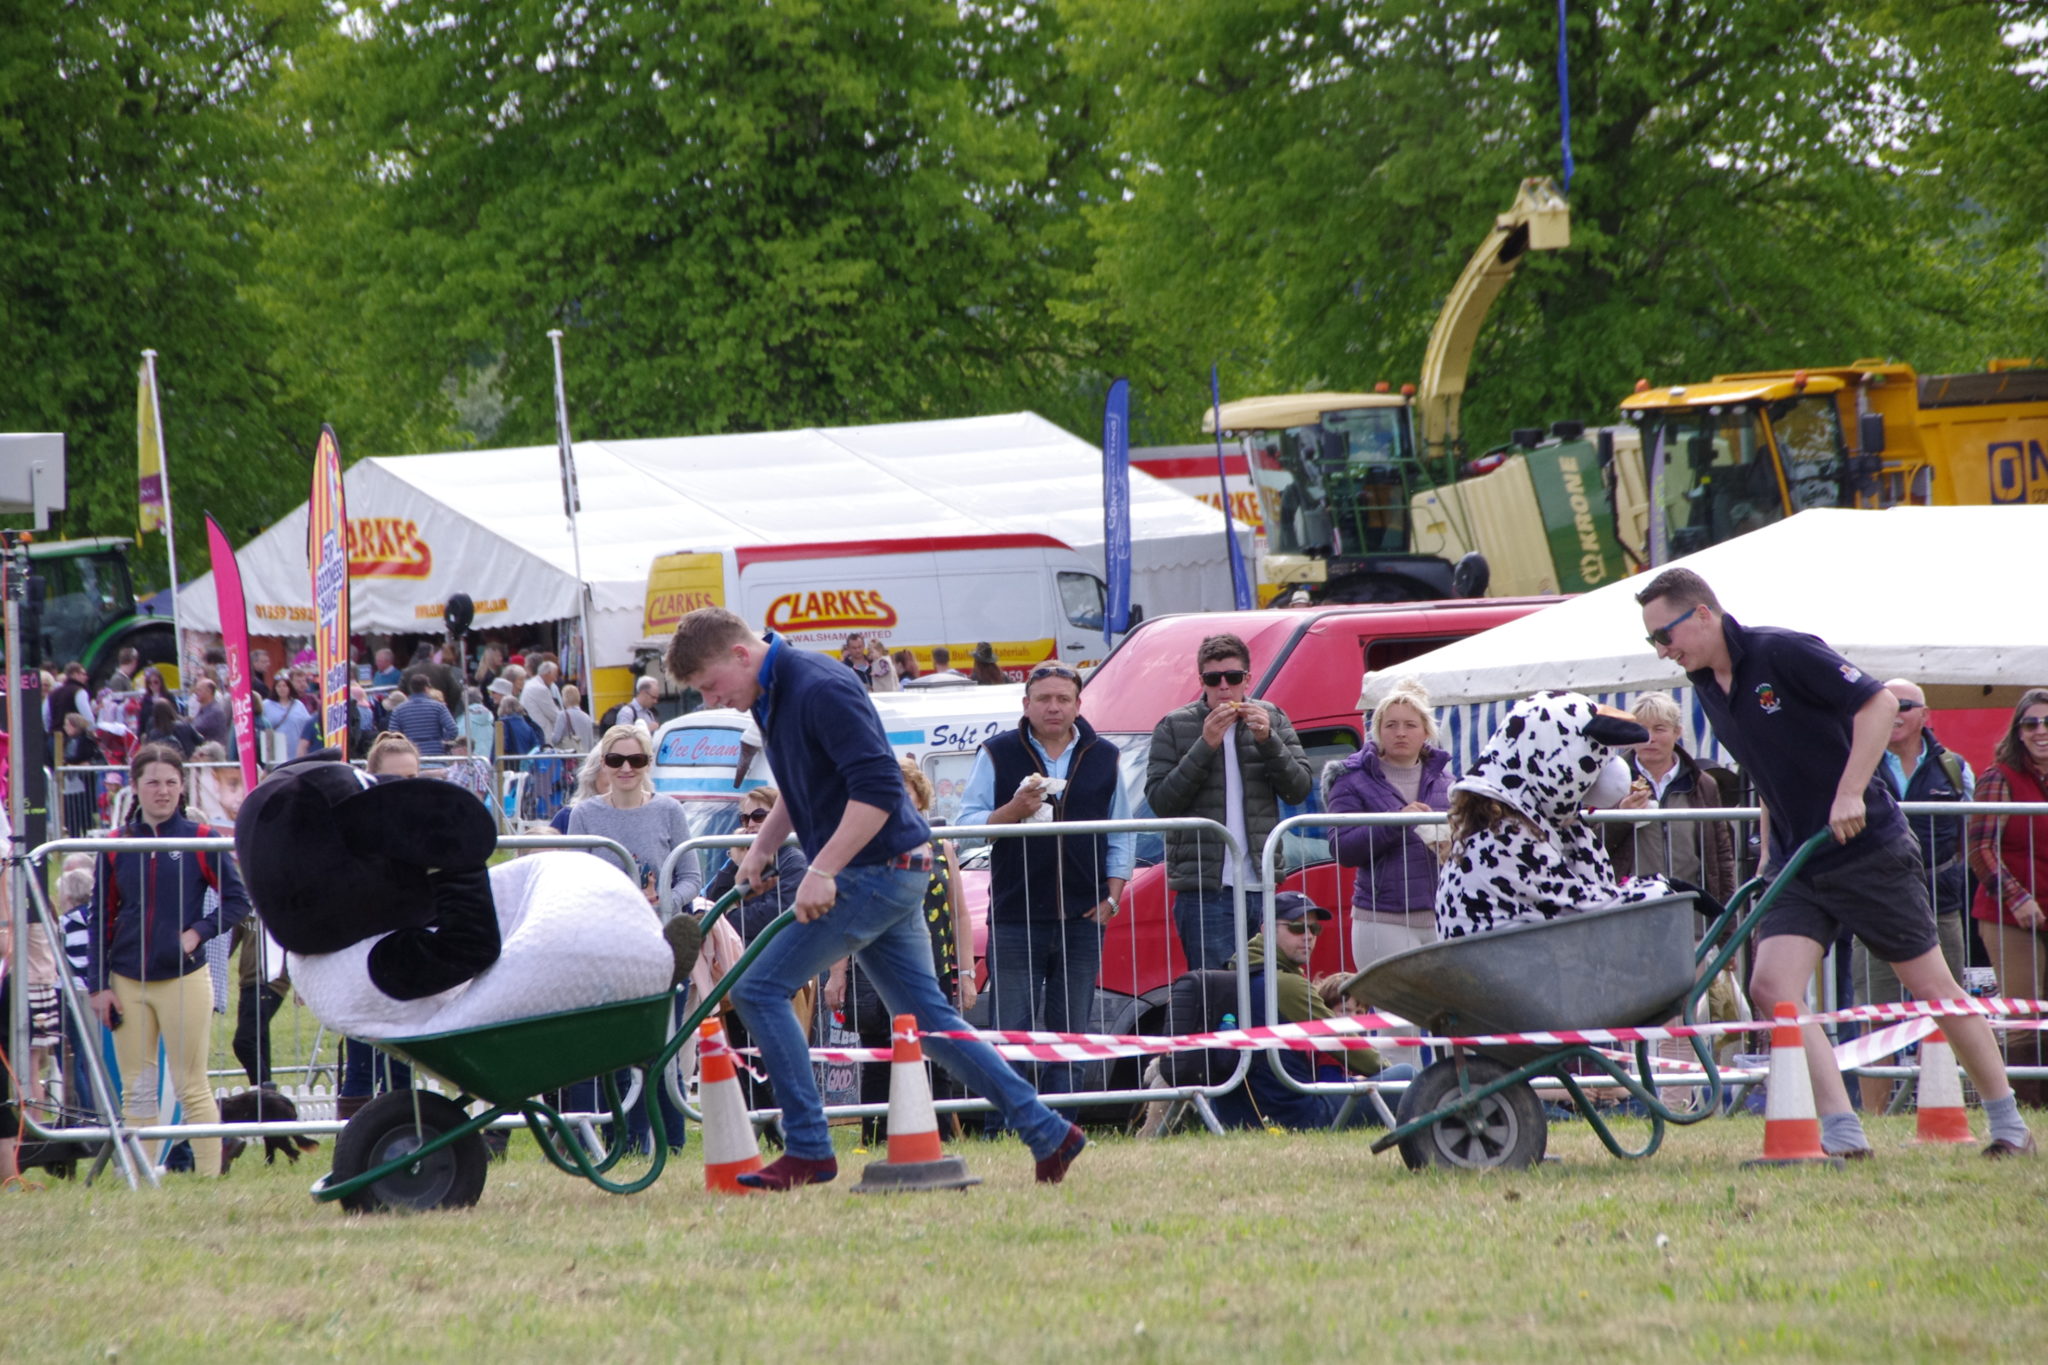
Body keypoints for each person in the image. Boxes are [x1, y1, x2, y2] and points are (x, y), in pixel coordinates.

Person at [668, 606, 1086, 1189]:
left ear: (741, 655)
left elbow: (880, 791)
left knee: (760, 988)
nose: (714, 701)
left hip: (878, 870)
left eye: (712, 687)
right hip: (887, 869)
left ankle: (810, 1148)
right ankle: (1048, 1133)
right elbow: (798, 782)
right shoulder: (769, 694)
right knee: (933, 1024)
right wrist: (762, 848)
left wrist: (821, 869)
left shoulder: (820, 686)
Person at [1638, 567, 2033, 1158]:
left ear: (1701, 614)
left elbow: (1876, 702)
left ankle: (2010, 1126)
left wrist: (1850, 792)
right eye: (1653, 643)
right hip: (1800, 861)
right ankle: (1842, 1136)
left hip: (1867, 848)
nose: (1663, 651)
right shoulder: (1705, 685)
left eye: (1664, 636)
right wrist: (1772, 850)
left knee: (1930, 985)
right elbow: (1769, 771)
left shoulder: (1781, 652)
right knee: (1772, 987)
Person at [958, 660, 1131, 1104]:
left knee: (1070, 1033)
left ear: (1078, 704)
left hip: (1084, 916)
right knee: (1009, 1034)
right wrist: (1011, 811)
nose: (1053, 707)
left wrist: (1114, 895)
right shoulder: (996, 752)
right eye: (1044, 699)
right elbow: (967, 824)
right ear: (1026, 704)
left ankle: (1063, 1123)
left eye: (1063, 699)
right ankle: (1006, 1121)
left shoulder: (1106, 756)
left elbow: (1121, 831)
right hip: (1016, 916)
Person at [85, 744, 252, 1177]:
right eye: (152, 782)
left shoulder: (200, 839)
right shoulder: (117, 843)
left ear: (183, 788)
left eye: (171, 782)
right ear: (135, 787)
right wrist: (98, 986)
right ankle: (140, 1179)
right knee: (137, 1089)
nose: (162, 791)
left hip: (184, 979)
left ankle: (210, 1180)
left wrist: (199, 931)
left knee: (191, 1085)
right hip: (125, 981)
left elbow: (238, 900)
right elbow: (100, 915)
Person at [1145, 633, 1313, 971]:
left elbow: (1298, 788)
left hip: (1262, 886)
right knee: (1218, 996)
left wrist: (1268, 741)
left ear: (1247, 679)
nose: (1224, 686)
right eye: (1213, 679)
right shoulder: (1175, 726)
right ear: (1201, 682)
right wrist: (1205, 744)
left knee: (1265, 993)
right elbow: (1161, 802)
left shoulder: (1272, 718)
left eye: (1233, 677)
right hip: (1205, 892)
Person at [1212, 893, 1403, 1131]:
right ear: (1267, 929)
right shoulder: (1286, 985)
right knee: (1406, 1075)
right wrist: (1389, 1072)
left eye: (1314, 929)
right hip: (1299, 1116)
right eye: (1296, 928)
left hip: (1237, 1116)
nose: (1308, 936)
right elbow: (1345, 1046)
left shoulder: (1235, 973)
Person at [1325, 677, 1454, 969]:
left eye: (1410, 725)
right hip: (1382, 918)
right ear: (1378, 731)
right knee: (1392, 1014)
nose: (1400, 733)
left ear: (1426, 732)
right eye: (1391, 725)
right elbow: (1342, 848)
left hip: (1441, 915)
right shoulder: (1350, 778)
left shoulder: (1447, 781)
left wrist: (1454, 846)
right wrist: (1397, 823)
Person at [1967, 687, 2048, 1109]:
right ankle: (2029, 1110)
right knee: (2024, 1019)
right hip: (2010, 915)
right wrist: (2017, 898)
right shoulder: (1999, 777)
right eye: (2031, 723)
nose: (2040, 730)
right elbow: (1980, 850)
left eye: (2047, 722)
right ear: (2018, 732)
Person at [1602, 691, 1737, 905]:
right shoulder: (1610, 781)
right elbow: (1592, 843)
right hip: (1630, 911)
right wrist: (1620, 818)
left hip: (1692, 910)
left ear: (1678, 732)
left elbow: (1721, 857)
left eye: (1659, 729)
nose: (1650, 738)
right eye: (1642, 729)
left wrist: (1726, 921)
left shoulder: (1703, 784)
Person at [566, 725, 700, 917]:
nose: (626, 768)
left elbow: (691, 878)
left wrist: (665, 902)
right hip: (603, 926)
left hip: (658, 927)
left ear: (648, 763)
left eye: (636, 760)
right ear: (603, 763)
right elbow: (575, 880)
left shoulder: (670, 810)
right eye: (616, 760)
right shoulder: (583, 814)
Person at [387, 672, 459, 756]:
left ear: (411, 689)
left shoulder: (398, 710)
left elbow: (393, 735)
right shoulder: (438, 707)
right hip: (436, 753)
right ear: (426, 688)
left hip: (411, 755)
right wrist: (441, 740)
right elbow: (453, 729)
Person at [58, 712, 103, 835]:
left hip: (83, 781)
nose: (65, 728)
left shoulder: (86, 740)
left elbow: (89, 760)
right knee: (72, 812)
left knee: (83, 811)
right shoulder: (68, 740)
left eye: (68, 725)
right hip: (72, 781)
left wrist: (75, 765)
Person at [262, 674, 315, 759]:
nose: (282, 689)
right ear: (274, 688)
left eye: (284, 686)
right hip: (275, 749)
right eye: (279, 686)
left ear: (289, 688)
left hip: (295, 748)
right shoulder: (266, 705)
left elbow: (307, 724)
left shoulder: (298, 705)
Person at [521, 659, 563, 738]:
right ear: (547, 674)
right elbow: (554, 714)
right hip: (541, 732)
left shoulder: (531, 684)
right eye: (554, 675)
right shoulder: (540, 688)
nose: (555, 679)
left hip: (533, 729)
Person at [551, 682, 596, 754]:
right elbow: (591, 742)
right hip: (584, 757)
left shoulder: (563, 715)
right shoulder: (587, 717)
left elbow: (555, 739)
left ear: (565, 698)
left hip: (570, 759)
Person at [188, 677, 230, 750]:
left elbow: (196, 729)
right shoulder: (203, 709)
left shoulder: (215, 711)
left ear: (209, 691)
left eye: (199, 690)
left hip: (214, 753)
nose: (195, 692)